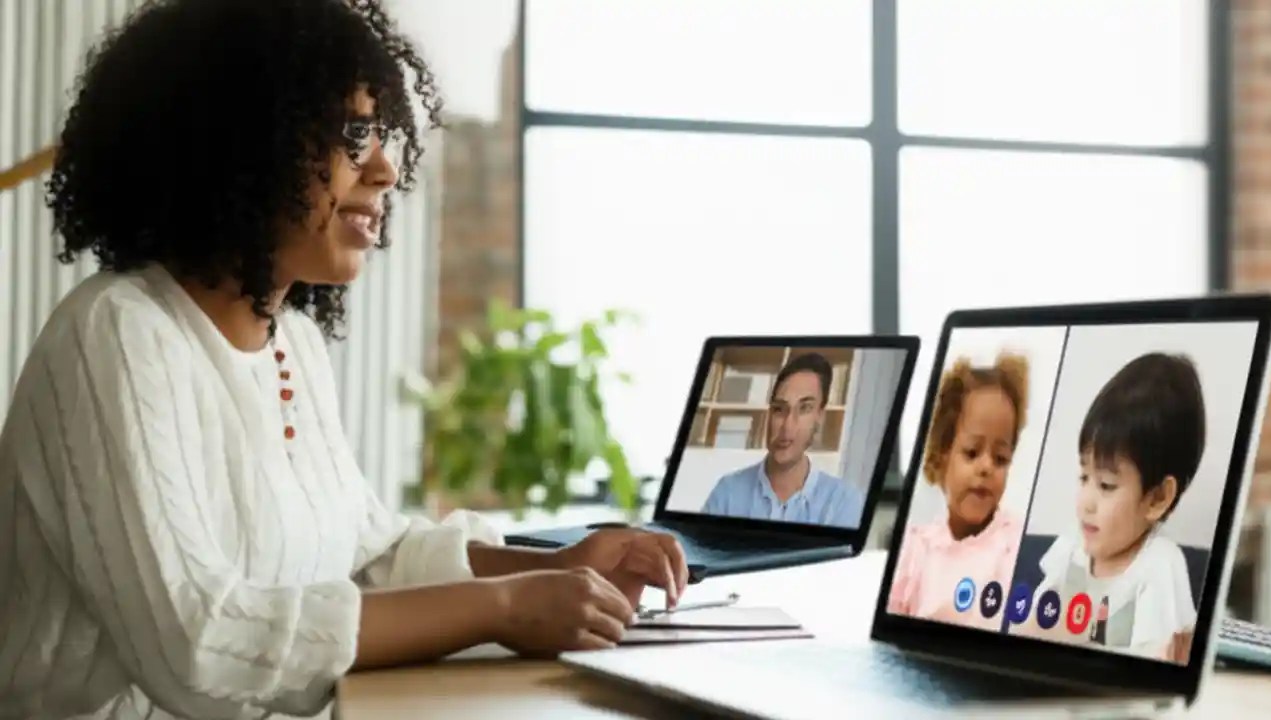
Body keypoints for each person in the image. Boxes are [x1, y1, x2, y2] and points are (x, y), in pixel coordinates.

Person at [0, 2, 687, 718]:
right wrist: (503, 606)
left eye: (383, 134)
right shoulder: (113, 335)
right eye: (354, 134)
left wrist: (559, 566)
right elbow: (200, 644)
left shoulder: (289, 340)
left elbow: (365, 556)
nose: (386, 169)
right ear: (240, 142)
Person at [1024, 353, 1203, 662]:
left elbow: (1158, 663)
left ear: (1157, 498)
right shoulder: (1070, 549)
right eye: (1083, 477)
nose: (1086, 502)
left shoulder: (1159, 566)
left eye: (1106, 485)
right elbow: (1030, 629)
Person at [887, 353, 1030, 630]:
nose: (986, 467)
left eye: (1000, 458)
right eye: (972, 452)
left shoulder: (1015, 546)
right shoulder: (917, 548)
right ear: (942, 456)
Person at [700, 352, 864, 527]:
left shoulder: (843, 502)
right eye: (779, 409)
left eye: (804, 408)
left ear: (819, 416)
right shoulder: (728, 492)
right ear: (769, 413)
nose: (787, 426)